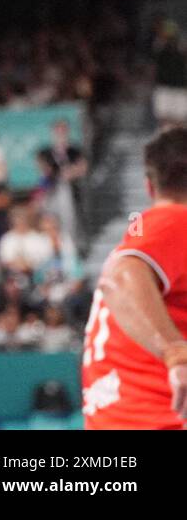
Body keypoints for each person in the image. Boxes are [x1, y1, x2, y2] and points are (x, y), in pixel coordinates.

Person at [82, 127, 187, 428]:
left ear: (150, 187)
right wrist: (177, 355)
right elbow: (120, 279)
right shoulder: (176, 221)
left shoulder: (147, 240)